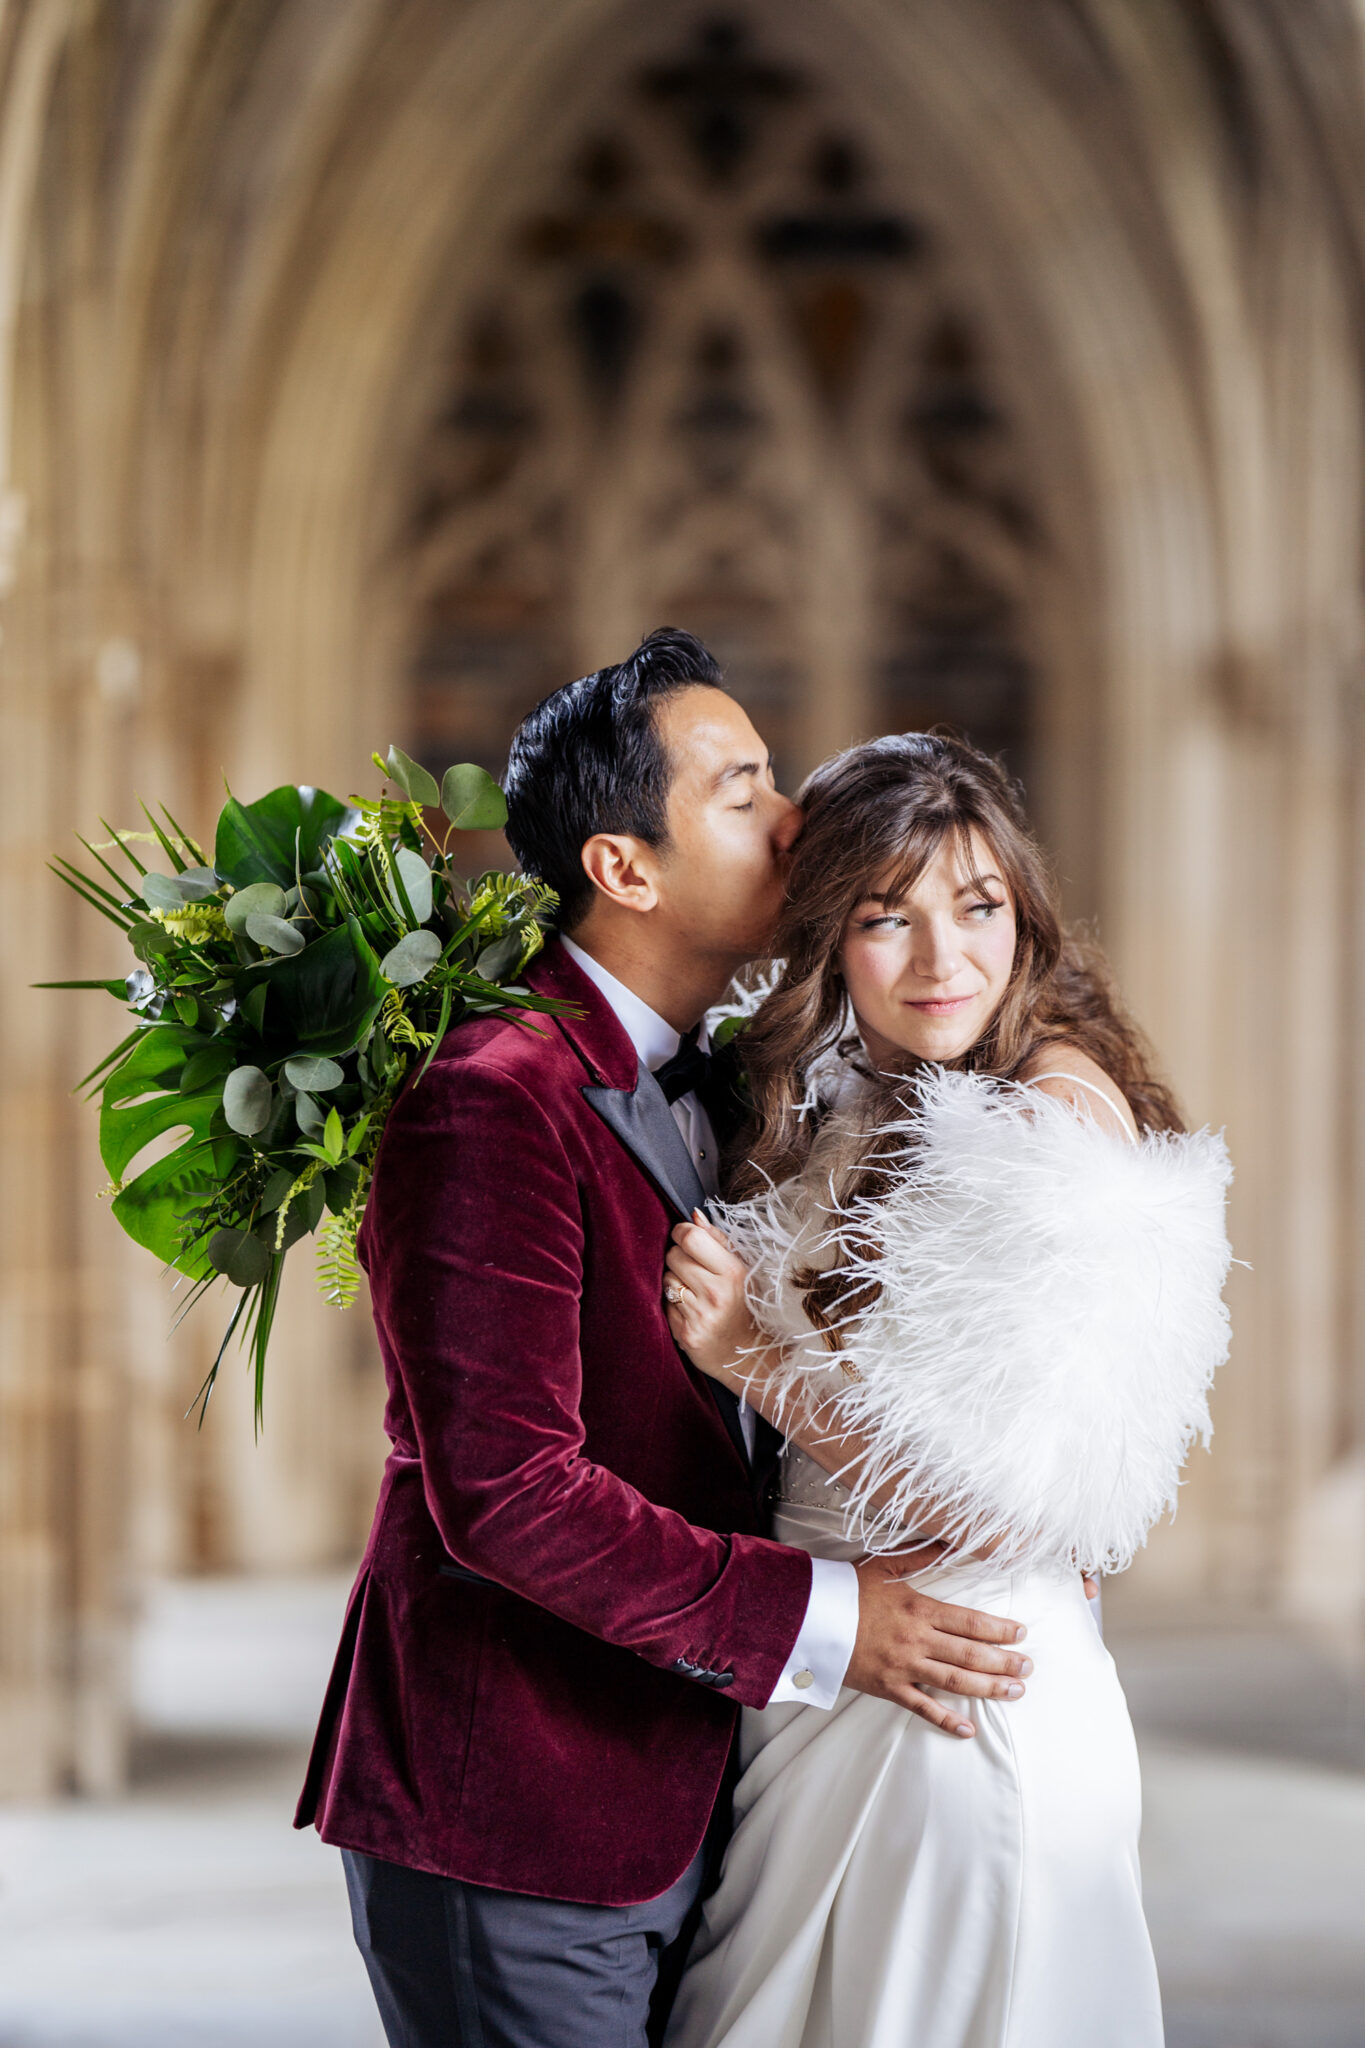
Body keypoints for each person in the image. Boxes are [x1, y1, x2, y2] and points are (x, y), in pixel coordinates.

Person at [295, 638, 1033, 2048]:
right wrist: (831, 1625)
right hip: (517, 1808)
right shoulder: (491, 1095)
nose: (794, 819)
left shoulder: (743, 1071)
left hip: (693, 1779)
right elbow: (506, 1495)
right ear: (623, 868)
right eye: (742, 789)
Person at [663, 732, 1233, 2048]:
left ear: (1020, 916)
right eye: (886, 917)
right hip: (840, 1692)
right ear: (825, 937)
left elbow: (995, 1502)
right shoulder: (860, 1088)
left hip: (951, 1708)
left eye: (975, 908)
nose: (942, 960)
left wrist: (749, 1353)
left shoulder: (1040, 1120)